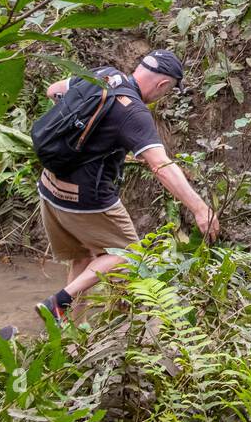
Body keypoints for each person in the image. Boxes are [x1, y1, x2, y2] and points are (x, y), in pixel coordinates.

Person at [34, 50, 217, 323]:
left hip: (50, 188)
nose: (163, 97)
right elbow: (161, 166)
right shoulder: (133, 113)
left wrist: (80, 139)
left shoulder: (103, 75)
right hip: (86, 200)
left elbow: (54, 91)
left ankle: (70, 335)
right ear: (162, 85)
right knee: (129, 255)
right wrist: (201, 209)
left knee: (83, 258)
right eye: (167, 92)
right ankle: (59, 301)